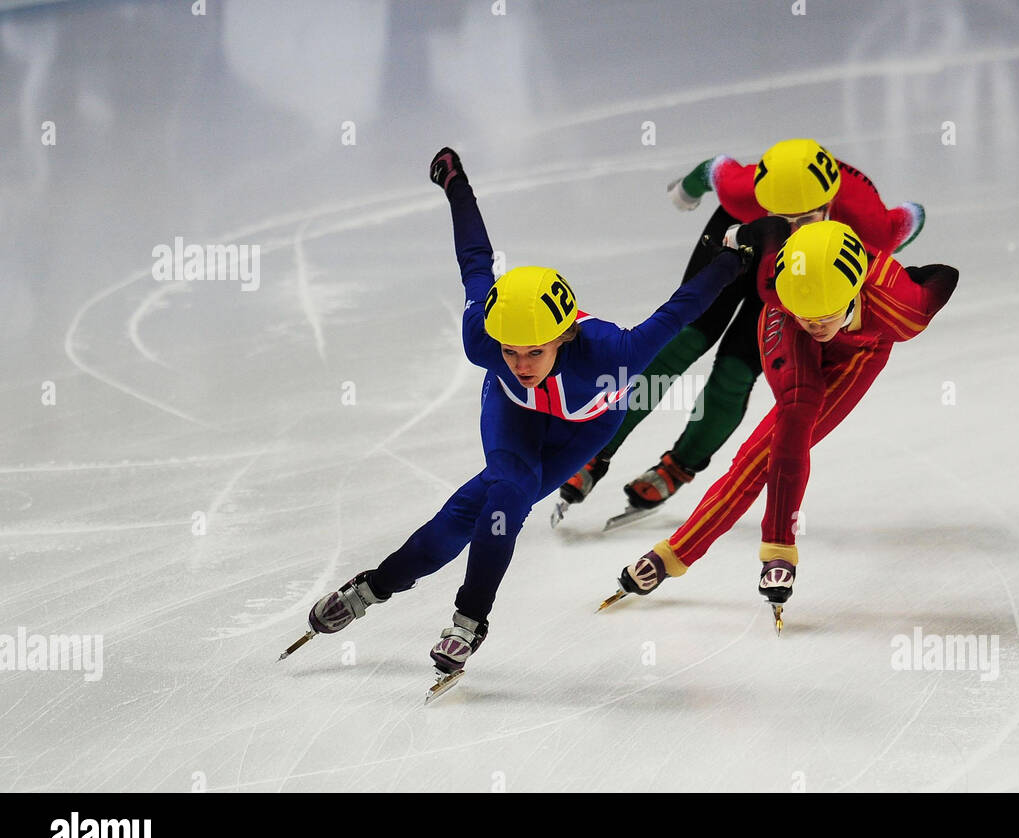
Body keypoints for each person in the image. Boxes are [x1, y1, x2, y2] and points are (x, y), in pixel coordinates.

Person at [284, 147, 785, 685]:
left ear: (564, 335)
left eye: (534, 352)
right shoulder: (485, 340)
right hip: (512, 415)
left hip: (587, 426)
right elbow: (475, 262)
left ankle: (433, 608)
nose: (521, 363)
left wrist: (738, 258)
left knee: (490, 505)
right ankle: (395, 597)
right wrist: (455, 184)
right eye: (510, 351)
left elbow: (683, 305)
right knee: (493, 501)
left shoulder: (614, 354)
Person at [609, 220, 959, 629]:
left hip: (861, 353)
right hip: (782, 325)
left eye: (824, 317)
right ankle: (678, 555)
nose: (817, 326)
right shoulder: (780, 287)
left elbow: (944, 276)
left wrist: (906, 277)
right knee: (774, 439)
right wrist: (740, 236)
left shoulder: (904, 310)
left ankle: (706, 551)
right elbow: (770, 230)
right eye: (809, 316)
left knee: (772, 450)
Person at [559, 138, 925, 522]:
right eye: (780, 218)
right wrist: (688, 188)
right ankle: (597, 446)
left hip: (803, 276)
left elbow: (908, 220)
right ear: (763, 203)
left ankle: (679, 466)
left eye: (803, 220)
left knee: (735, 371)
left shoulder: (866, 219)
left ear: (830, 207)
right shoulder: (742, 190)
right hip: (742, 240)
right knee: (676, 345)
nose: (787, 232)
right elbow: (713, 170)